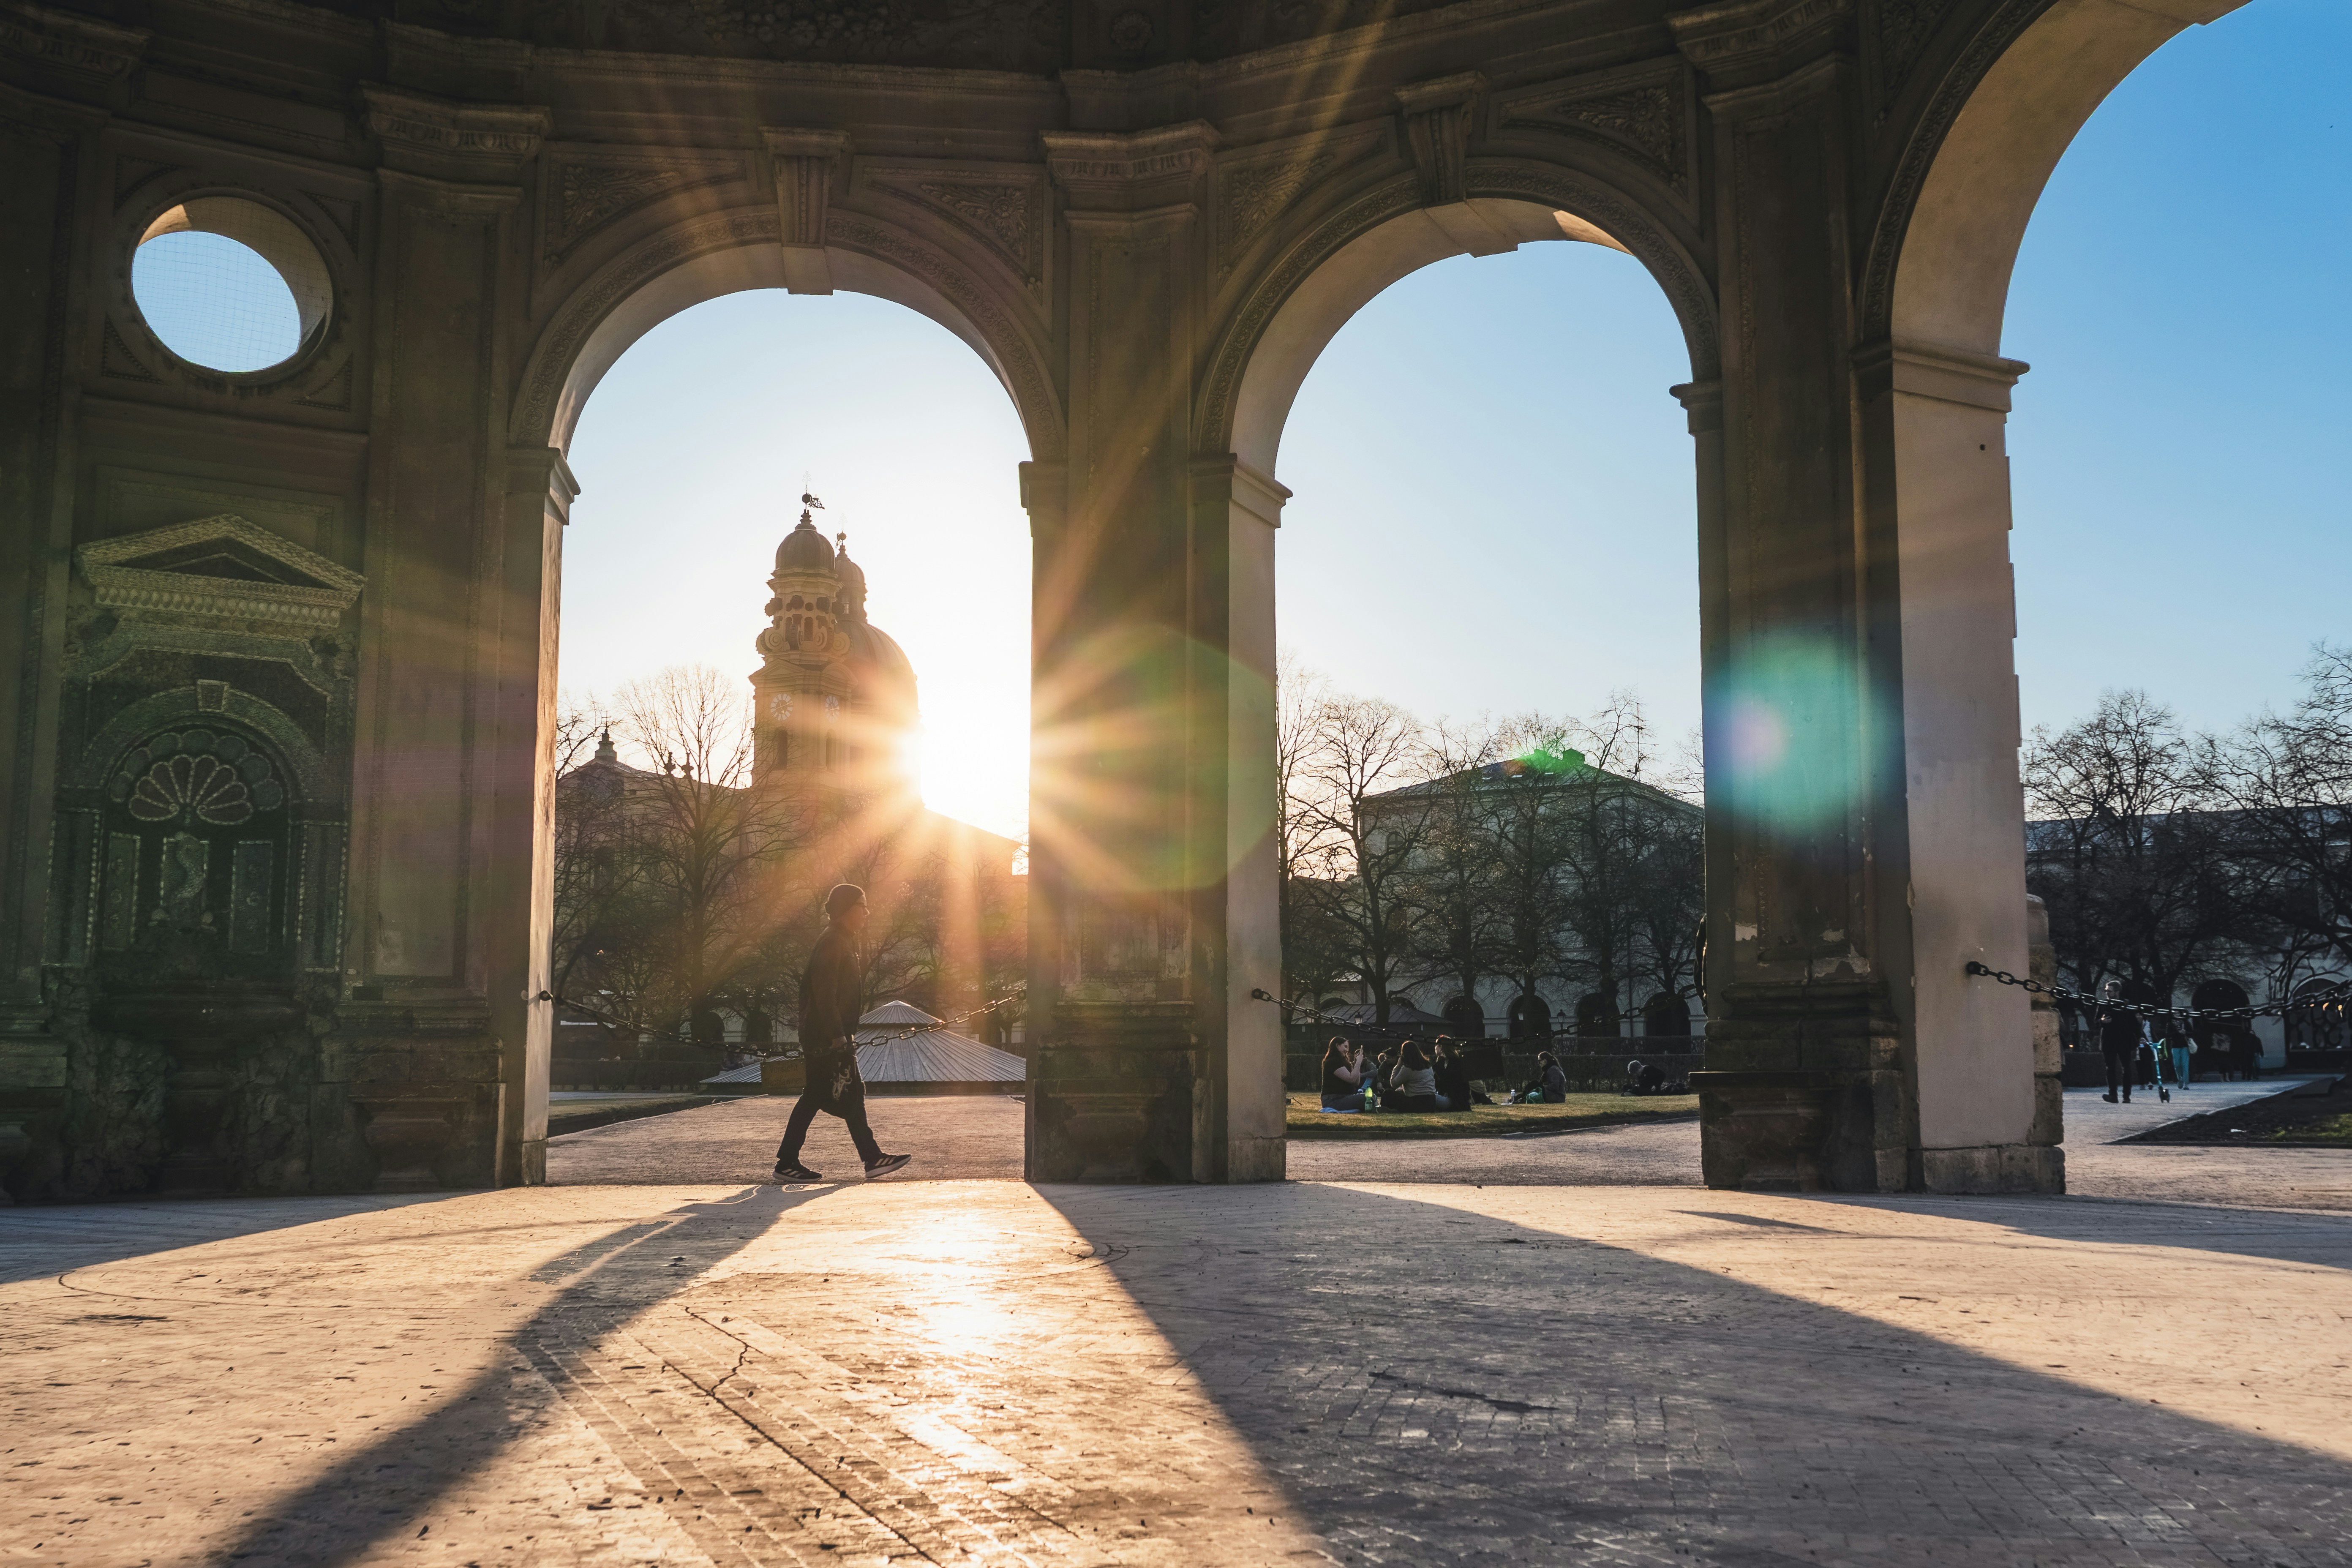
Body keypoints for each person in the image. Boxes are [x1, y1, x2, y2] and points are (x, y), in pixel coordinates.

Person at [773, 884, 911, 1183]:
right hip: (826, 1037)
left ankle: (870, 1158)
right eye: (862, 906)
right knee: (820, 1095)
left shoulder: (840, 940)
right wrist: (837, 1035)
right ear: (846, 909)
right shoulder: (834, 942)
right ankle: (790, 1161)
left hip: (827, 1034)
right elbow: (825, 994)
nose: (867, 912)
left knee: (844, 1094)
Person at [2096, 981, 2139, 1105]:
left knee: (2126, 1068)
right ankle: (2113, 1095)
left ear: (2117, 992)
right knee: (2110, 1068)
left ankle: (2127, 1096)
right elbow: (2096, 1021)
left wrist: (2141, 1037)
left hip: (2124, 1040)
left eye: (2109, 991)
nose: (2107, 993)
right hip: (2108, 1040)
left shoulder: (2126, 1004)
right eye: (2106, 991)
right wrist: (2102, 1021)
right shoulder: (2103, 1004)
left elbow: (2134, 1023)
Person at [1320, 1036, 1369, 1112]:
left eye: (1348, 1048)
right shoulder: (1333, 1062)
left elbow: (1357, 1083)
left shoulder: (1345, 1063)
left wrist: (1357, 1063)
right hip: (1333, 1100)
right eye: (1345, 1047)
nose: (1347, 1050)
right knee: (1369, 1098)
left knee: (1370, 1097)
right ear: (1337, 1046)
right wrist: (1359, 1062)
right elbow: (1352, 1079)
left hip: (1345, 1097)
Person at [1389, 1040, 1442, 1110]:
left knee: (1388, 1094)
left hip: (1417, 1103)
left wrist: (1398, 1066)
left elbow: (1394, 1084)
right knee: (1400, 1091)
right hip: (1431, 1102)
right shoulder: (1428, 1065)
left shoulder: (1409, 1068)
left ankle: (1387, 1110)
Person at [1432, 1040, 1474, 1112]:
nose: (1435, 1047)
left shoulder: (1451, 1064)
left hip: (1454, 1100)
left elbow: (1446, 1082)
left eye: (1436, 1045)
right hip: (1455, 1100)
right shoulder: (1453, 1062)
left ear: (1441, 1047)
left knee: (1427, 1097)